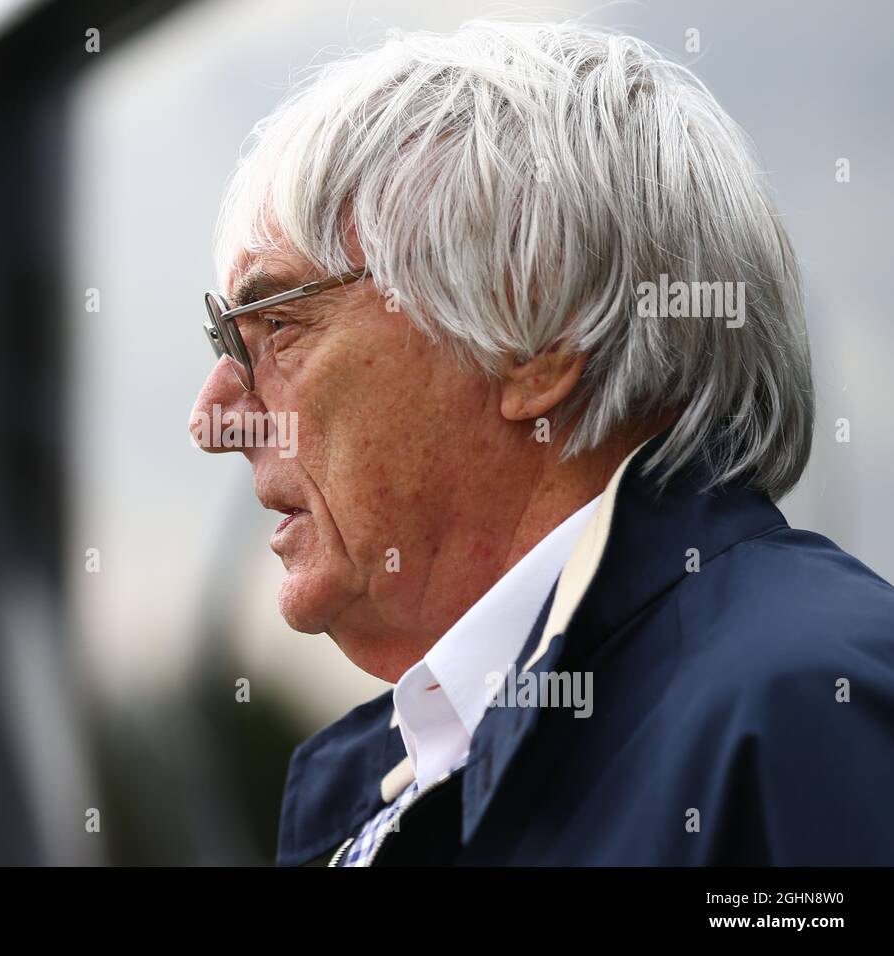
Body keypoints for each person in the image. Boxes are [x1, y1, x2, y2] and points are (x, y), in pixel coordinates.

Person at [189, 20, 894, 865]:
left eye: (276, 326)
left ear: (534, 338)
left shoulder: (800, 714)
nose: (216, 417)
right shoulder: (405, 778)